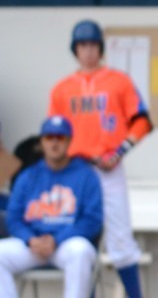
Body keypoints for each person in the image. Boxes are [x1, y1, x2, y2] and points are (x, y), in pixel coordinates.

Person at [48, 19, 152, 297]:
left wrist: (120, 152)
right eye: (83, 45)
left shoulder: (119, 81)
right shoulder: (62, 89)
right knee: (81, 241)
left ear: (101, 48)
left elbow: (142, 122)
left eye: (93, 44)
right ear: (75, 49)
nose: (89, 51)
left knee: (121, 242)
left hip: (109, 167)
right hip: (76, 171)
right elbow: (53, 135)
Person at [0, 116, 103, 298]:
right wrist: (31, 239)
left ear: (69, 141)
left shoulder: (86, 175)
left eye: (60, 138)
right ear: (41, 142)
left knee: (81, 250)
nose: (54, 143)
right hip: (33, 245)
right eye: (49, 138)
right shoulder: (28, 175)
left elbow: (92, 220)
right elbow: (14, 218)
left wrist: (56, 240)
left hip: (65, 244)